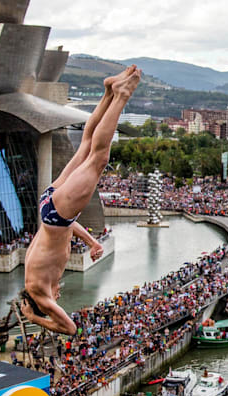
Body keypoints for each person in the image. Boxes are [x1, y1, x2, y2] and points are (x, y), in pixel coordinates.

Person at [20, 66, 141, 334]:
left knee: (98, 158)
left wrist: (35, 318)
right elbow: (62, 229)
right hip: (50, 210)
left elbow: (71, 329)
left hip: (58, 216)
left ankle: (120, 95)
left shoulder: (41, 295)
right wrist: (92, 241)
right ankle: (108, 91)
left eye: (54, 302)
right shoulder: (32, 279)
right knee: (86, 144)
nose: (58, 297)